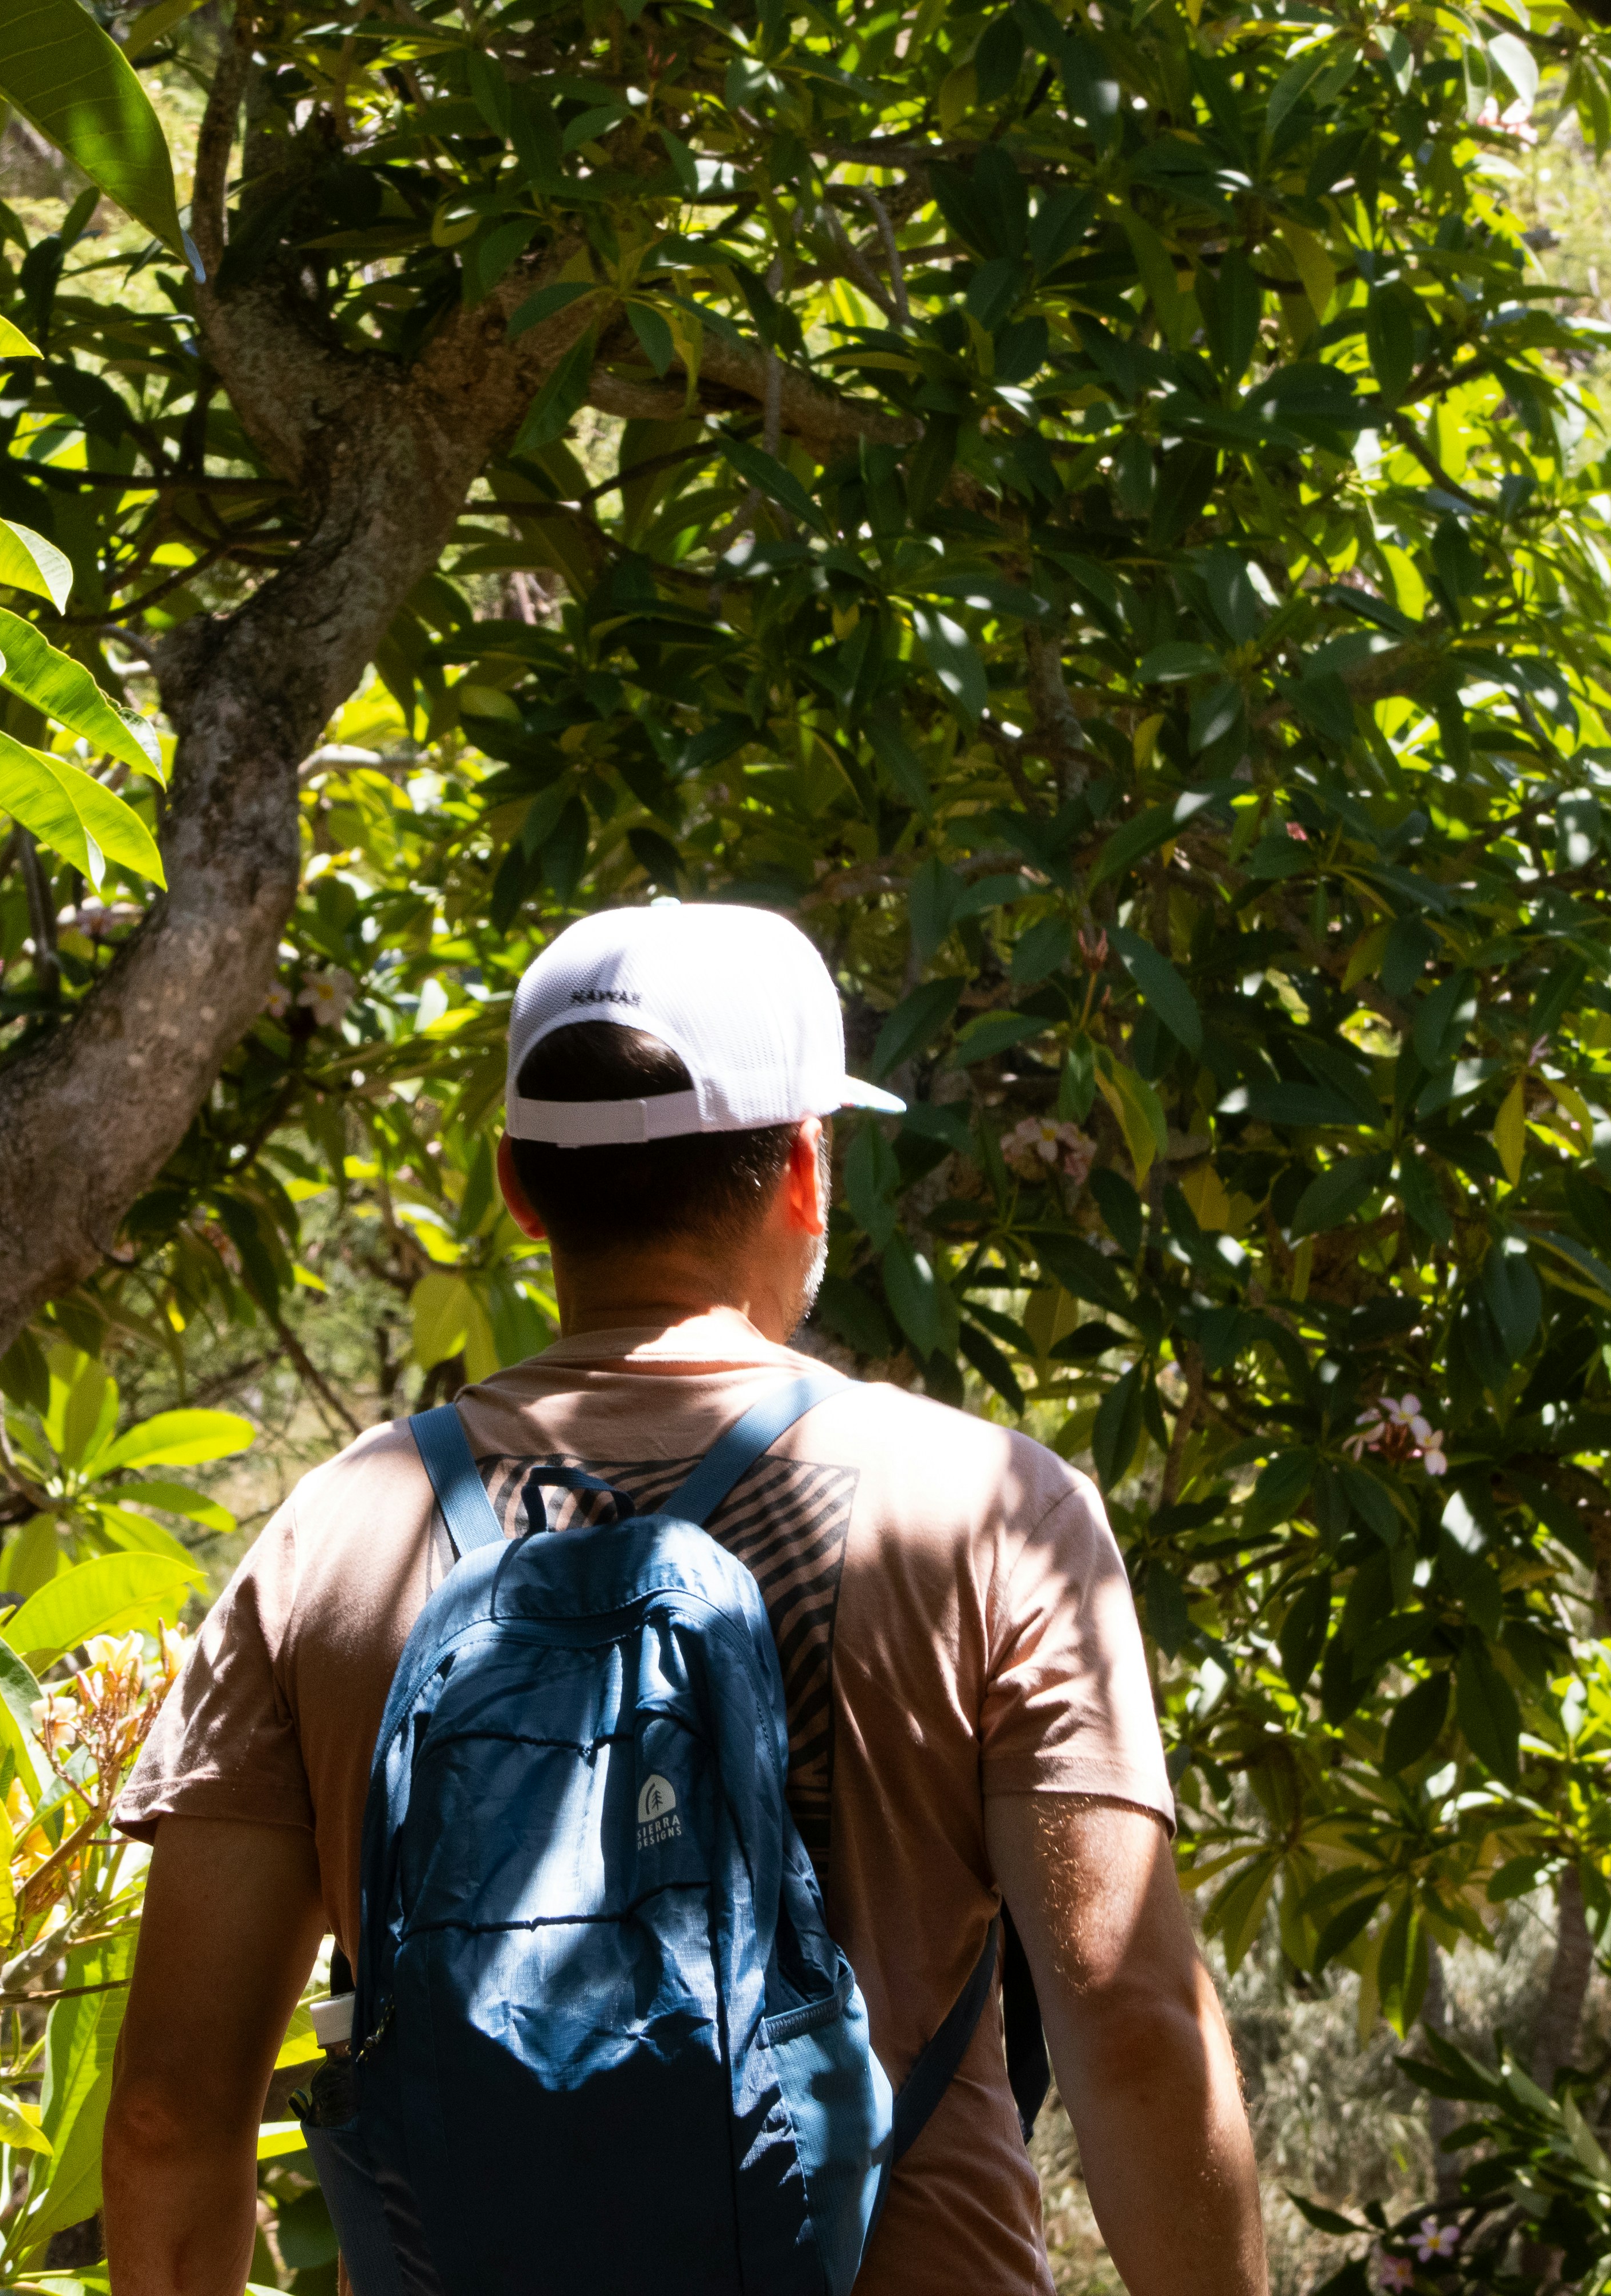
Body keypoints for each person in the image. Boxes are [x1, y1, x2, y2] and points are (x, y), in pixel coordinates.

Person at [100, 901, 1265, 2296]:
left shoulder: (333, 1538)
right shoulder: (990, 1513)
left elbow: (173, 2109)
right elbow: (1132, 2029)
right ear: (806, 1170)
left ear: (520, 1185)